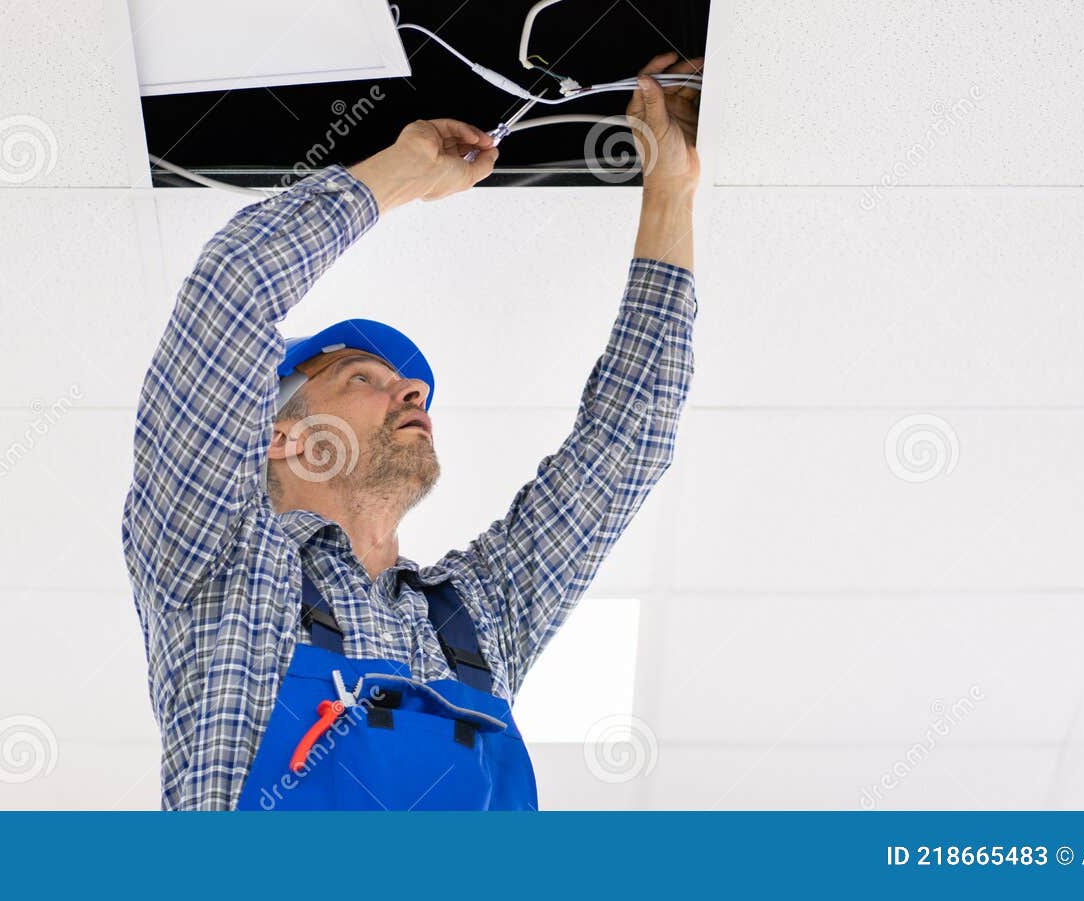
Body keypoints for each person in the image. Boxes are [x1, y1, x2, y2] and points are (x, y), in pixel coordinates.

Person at [122, 53, 702, 810]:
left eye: (411, 388)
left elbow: (626, 442)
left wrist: (670, 185)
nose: (410, 390)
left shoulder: (473, 617)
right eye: (363, 377)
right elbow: (233, 292)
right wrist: (399, 171)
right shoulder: (217, 557)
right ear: (281, 435)